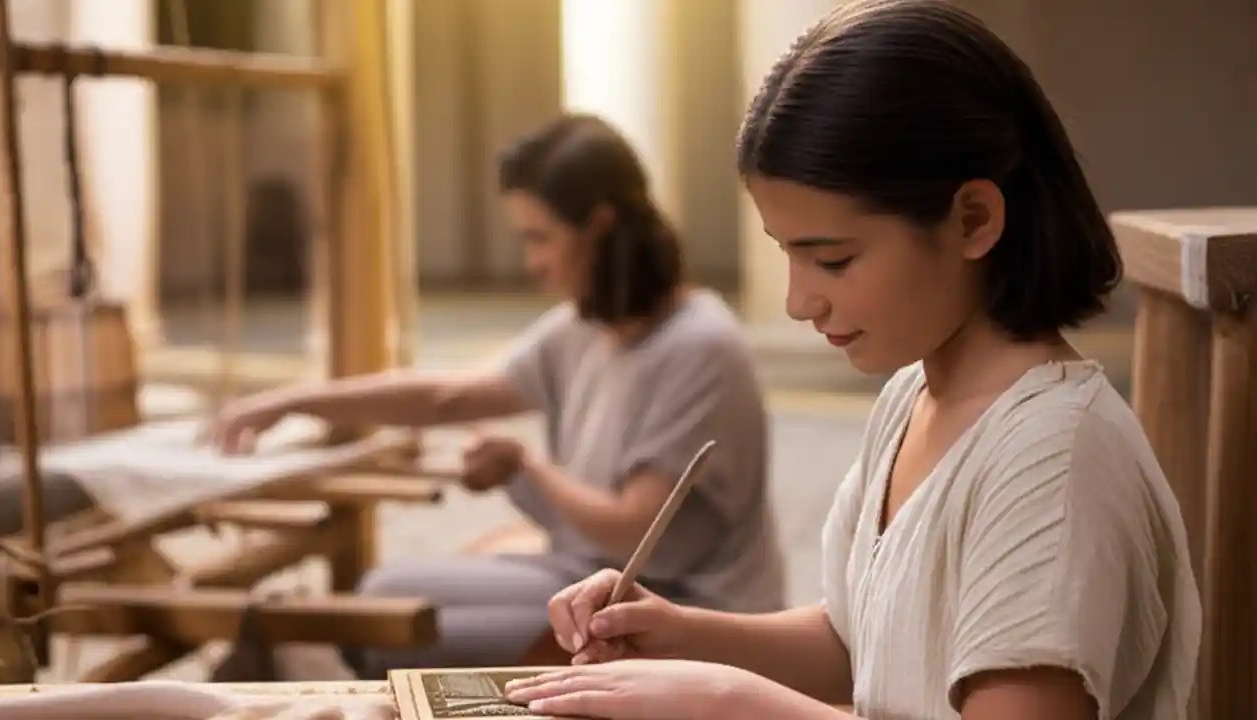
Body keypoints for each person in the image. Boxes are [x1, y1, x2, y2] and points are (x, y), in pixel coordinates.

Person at [503, 2, 1201, 719]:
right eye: (787, 252)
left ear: (973, 220)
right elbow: (856, 645)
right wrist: (678, 633)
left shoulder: (1056, 461)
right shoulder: (911, 397)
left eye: (832, 259)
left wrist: (728, 701)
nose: (799, 301)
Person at [207, 114, 786, 675]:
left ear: (600, 227)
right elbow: (447, 398)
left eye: (541, 238)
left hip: (680, 603)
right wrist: (293, 400)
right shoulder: (583, 327)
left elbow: (631, 527)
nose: (532, 261)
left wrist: (525, 465)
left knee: (391, 634)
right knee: (379, 595)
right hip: (589, 574)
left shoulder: (699, 344)